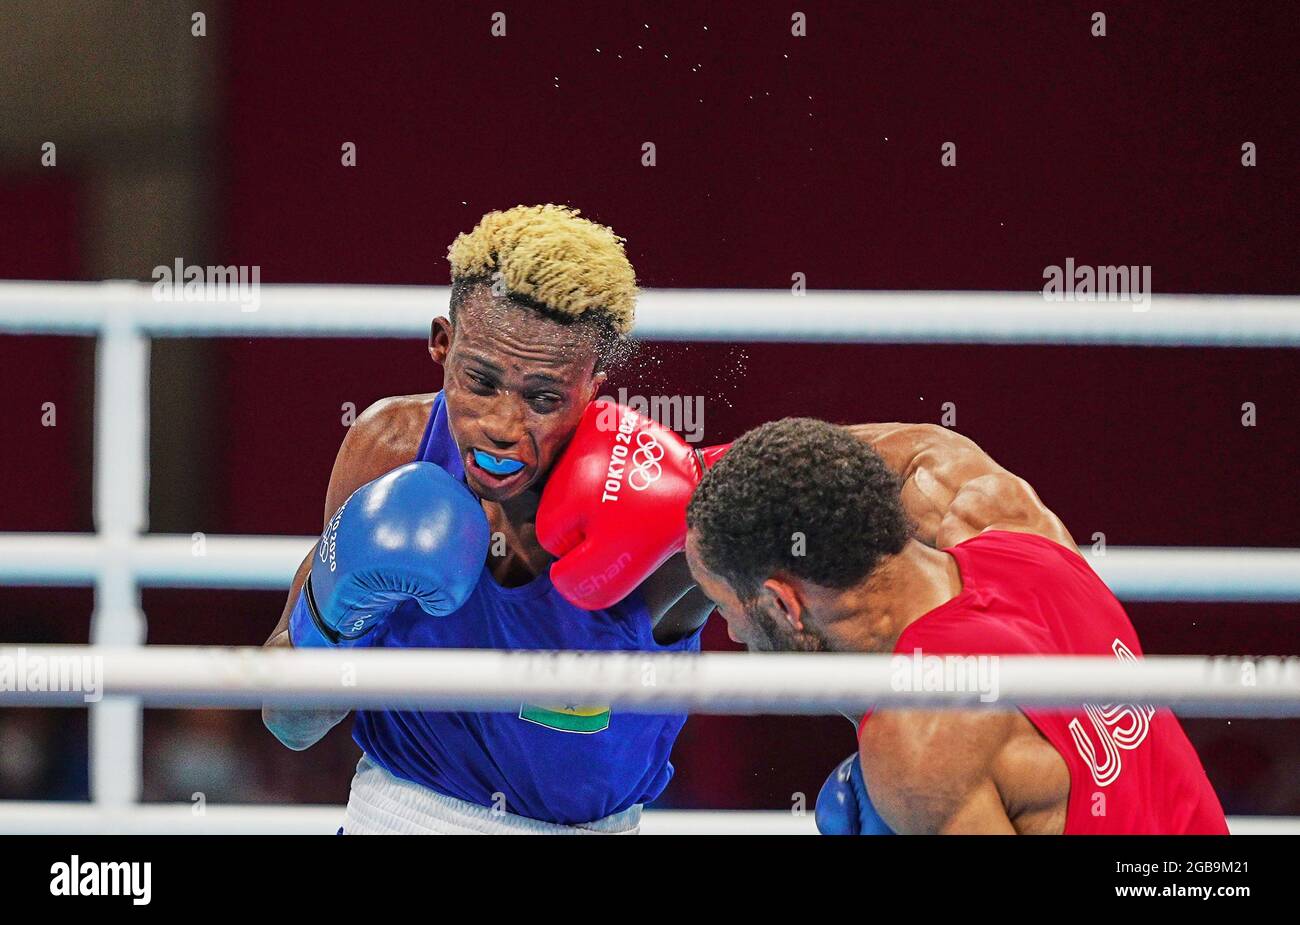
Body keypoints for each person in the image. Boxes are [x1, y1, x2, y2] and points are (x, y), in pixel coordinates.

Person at [262, 204, 724, 834]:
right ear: (441, 344)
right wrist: (333, 623)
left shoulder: (661, 508)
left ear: (593, 386)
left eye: (543, 399)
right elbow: (289, 723)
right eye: (480, 381)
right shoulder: (390, 448)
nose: (503, 427)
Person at [684, 417, 1229, 834]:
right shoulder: (1008, 520)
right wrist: (703, 468)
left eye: (723, 606)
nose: (731, 634)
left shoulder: (919, 737)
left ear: (783, 605)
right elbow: (924, 445)